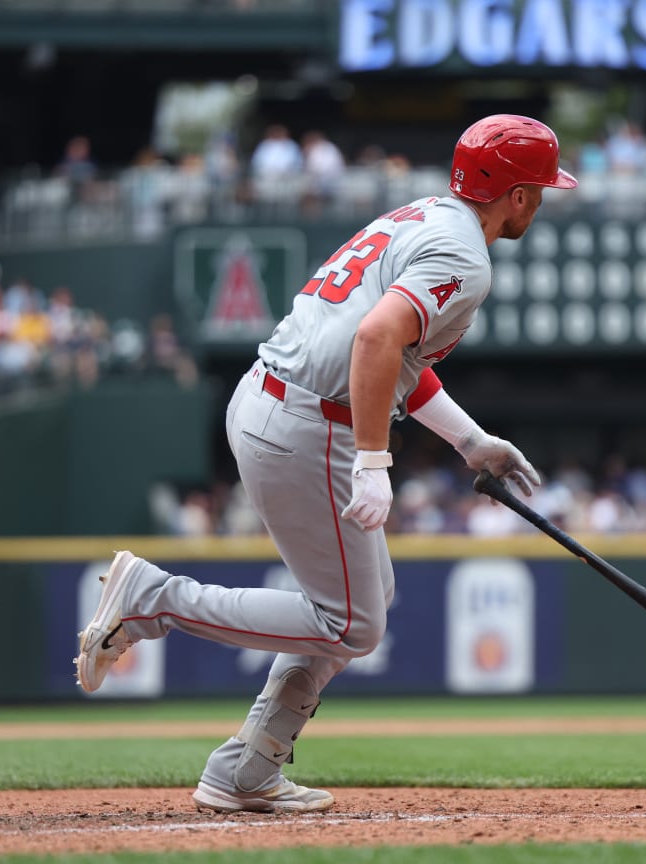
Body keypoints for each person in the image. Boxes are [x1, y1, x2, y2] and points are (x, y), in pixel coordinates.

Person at [75, 115, 574, 813]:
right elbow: (374, 341)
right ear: (516, 195)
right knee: (352, 624)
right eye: (540, 189)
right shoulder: (467, 259)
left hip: (275, 401)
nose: (543, 201)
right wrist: (374, 462)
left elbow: (396, 354)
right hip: (310, 424)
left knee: (368, 598)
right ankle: (154, 600)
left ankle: (247, 767)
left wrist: (469, 441)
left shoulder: (424, 216)